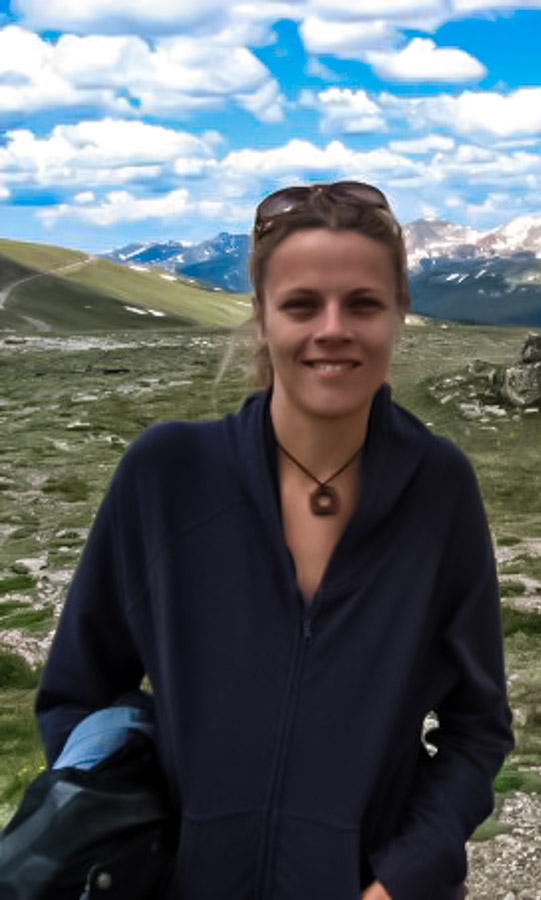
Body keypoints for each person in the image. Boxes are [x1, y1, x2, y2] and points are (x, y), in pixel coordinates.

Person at [34, 181, 514, 899]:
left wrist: (404, 878)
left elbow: (477, 729)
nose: (332, 329)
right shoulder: (166, 475)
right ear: (260, 319)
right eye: (300, 305)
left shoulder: (440, 488)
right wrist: (137, 851)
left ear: (400, 313)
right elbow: (76, 697)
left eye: (363, 304)